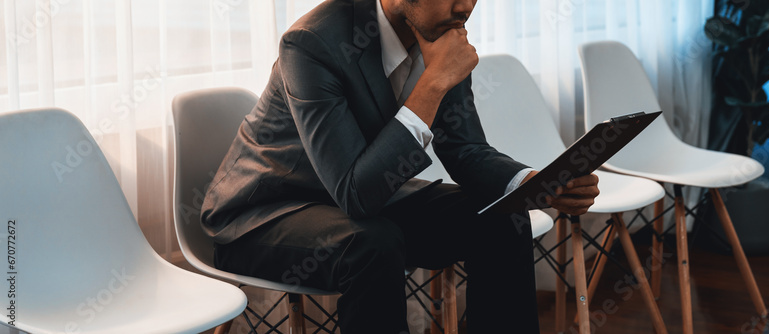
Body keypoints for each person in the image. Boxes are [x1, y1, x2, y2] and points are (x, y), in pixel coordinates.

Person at [200, 0, 599, 333]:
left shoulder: (443, 31)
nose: (465, 7)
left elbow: (466, 151)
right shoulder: (311, 43)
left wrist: (534, 184)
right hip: (265, 213)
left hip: (354, 201)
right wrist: (434, 84)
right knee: (372, 242)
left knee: (501, 214)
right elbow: (356, 196)